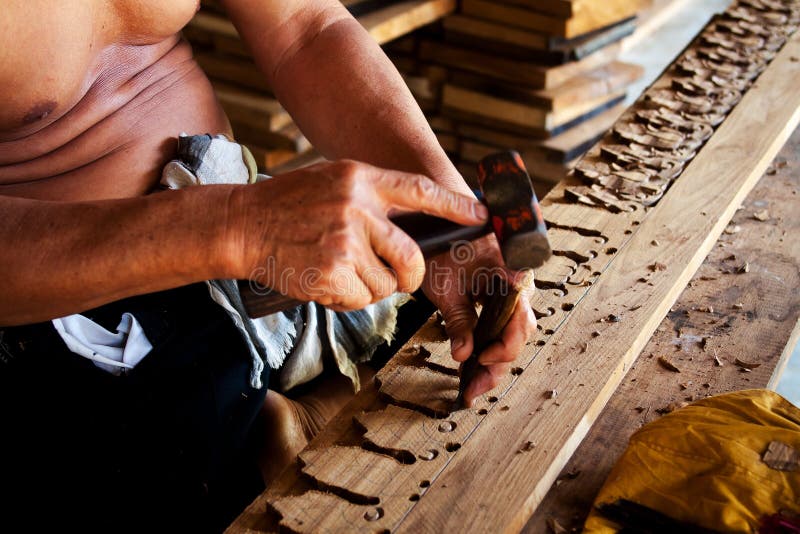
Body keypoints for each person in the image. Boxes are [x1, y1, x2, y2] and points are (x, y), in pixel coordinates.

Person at [0, 0, 536, 530]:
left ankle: (284, 412)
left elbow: (305, 27)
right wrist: (238, 227)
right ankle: (280, 413)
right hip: (61, 289)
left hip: (232, 214)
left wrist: (441, 208)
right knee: (157, 452)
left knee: (418, 307)